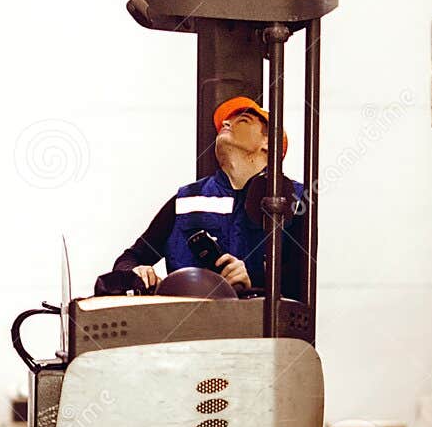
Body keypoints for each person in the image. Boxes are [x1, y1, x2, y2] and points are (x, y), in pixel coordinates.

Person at [96, 96, 304, 296]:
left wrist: (254, 280)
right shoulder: (186, 199)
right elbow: (130, 258)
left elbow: (300, 284)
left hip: (256, 329)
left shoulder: (295, 199)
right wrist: (137, 272)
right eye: (225, 121)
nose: (225, 122)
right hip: (191, 329)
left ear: (268, 143)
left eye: (242, 120)